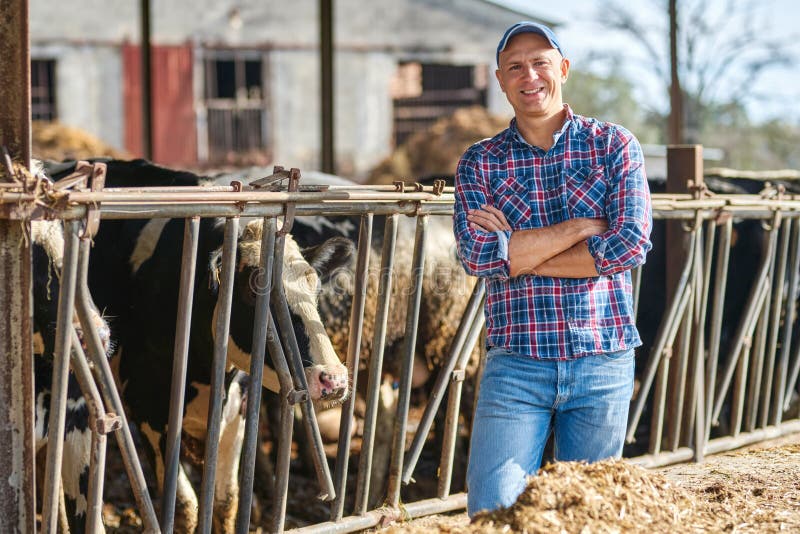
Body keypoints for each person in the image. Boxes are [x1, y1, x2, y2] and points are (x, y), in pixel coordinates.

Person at [453, 21, 653, 516]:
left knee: (585, 514)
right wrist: (582, 227)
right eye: (515, 66)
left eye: (540, 62)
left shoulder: (614, 145)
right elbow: (478, 255)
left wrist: (518, 257)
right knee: (491, 511)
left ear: (562, 69)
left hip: (602, 356)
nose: (530, 75)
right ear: (499, 79)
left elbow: (629, 244)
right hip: (517, 361)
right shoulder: (480, 162)